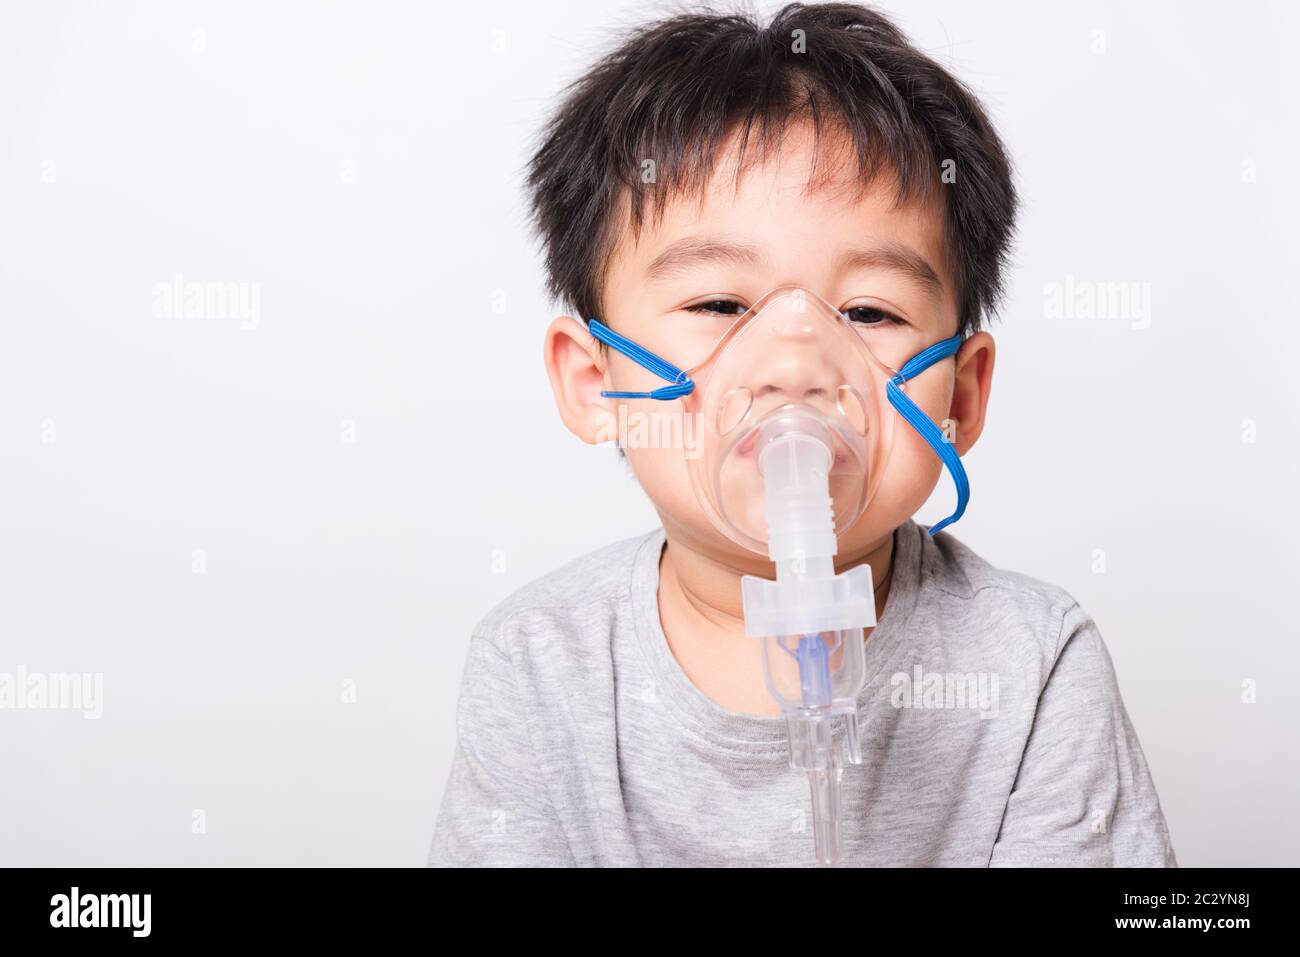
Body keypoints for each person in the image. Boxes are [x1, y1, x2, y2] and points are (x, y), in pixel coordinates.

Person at [429, 3, 1176, 867]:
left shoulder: (1035, 668)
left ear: (962, 398)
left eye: (869, 310)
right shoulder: (536, 668)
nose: (794, 361)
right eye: (719, 303)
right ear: (595, 381)